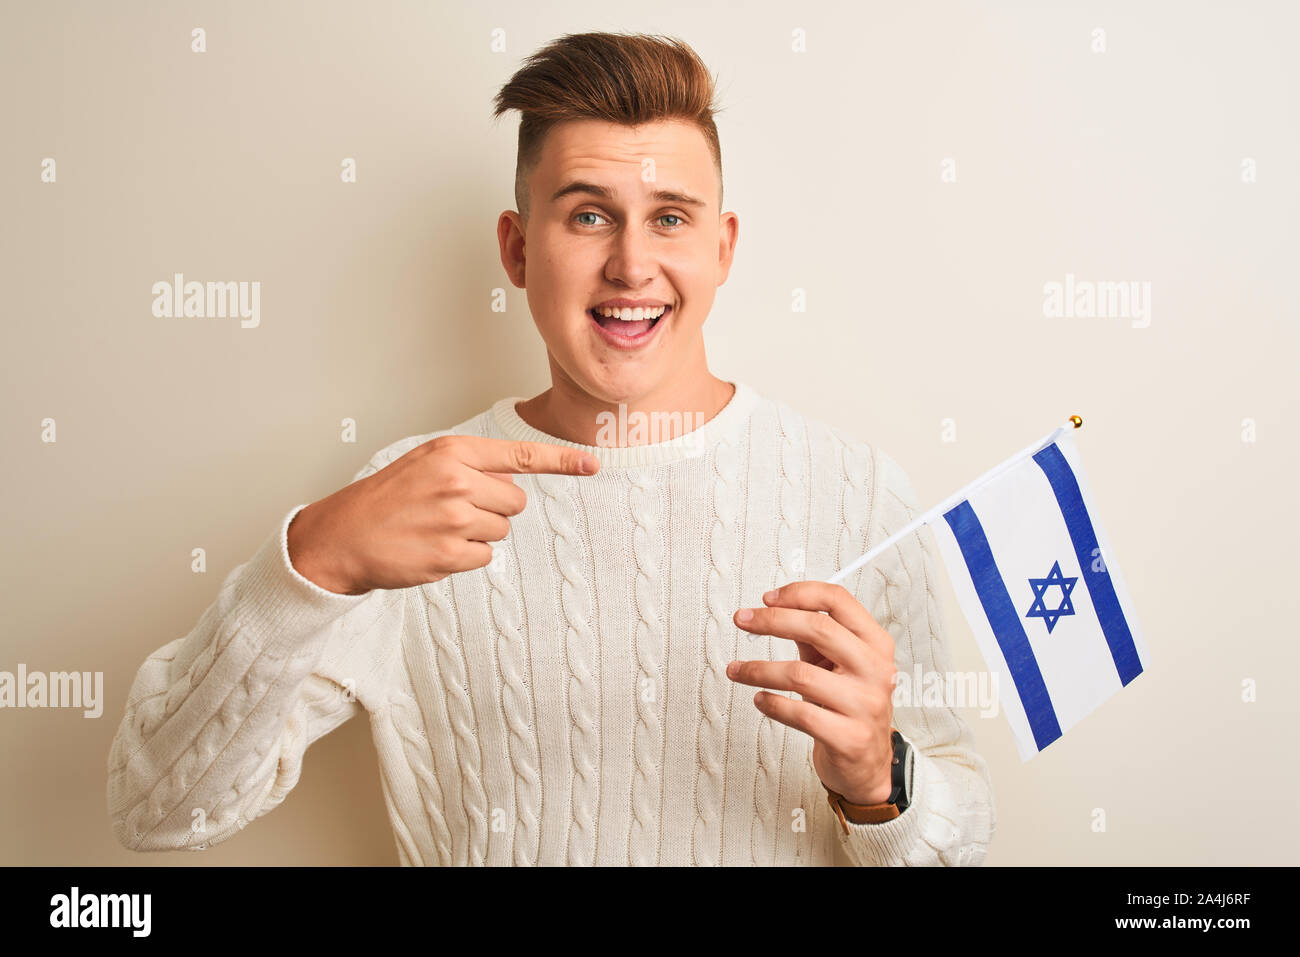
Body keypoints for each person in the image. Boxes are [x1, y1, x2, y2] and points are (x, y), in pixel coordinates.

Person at [107, 31, 994, 866]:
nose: (633, 265)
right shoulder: (412, 495)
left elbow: (963, 840)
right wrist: (311, 560)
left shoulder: (857, 490)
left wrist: (880, 786)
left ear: (722, 249)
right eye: (589, 217)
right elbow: (156, 808)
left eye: (671, 218)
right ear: (518, 248)